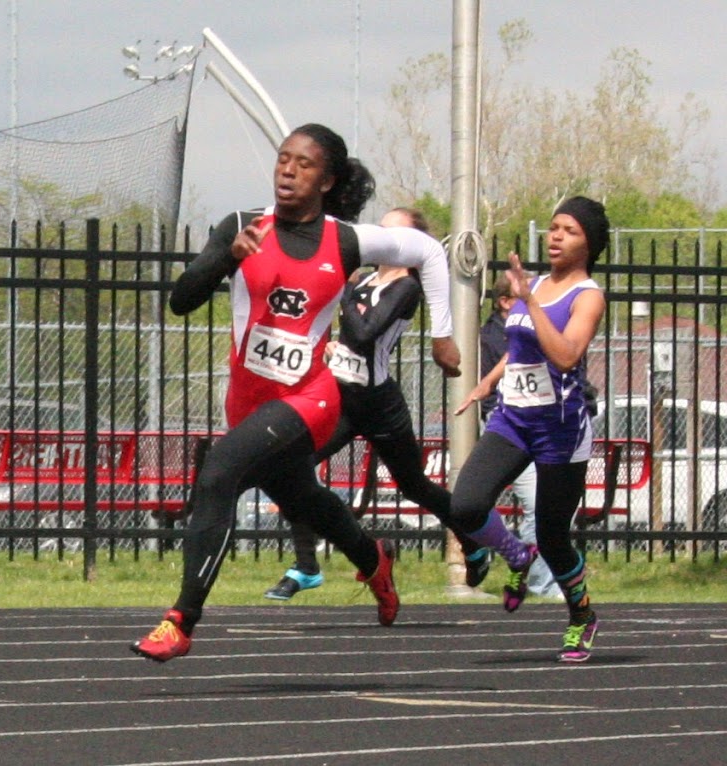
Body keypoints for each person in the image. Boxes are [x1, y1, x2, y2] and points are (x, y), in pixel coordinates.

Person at [131, 123, 458, 662]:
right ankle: (374, 559)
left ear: (327, 180)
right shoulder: (241, 226)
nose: (288, 170)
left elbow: (428, 251)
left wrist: (442, 333)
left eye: (304, 164)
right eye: (284, 159)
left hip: (311, 399)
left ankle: (181, 620)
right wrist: (226, 257)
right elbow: (182, 300)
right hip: (247, 402)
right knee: (302, 498)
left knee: (218, 474)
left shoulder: (347, 240)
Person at [263, 207, 485, 601]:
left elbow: (365, 333)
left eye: (392, 233)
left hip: (378, 403)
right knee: (290, 466)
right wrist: (334, 346)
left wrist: (346, 289)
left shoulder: (406, 287)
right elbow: (346, 330)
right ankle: (305, 566)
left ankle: (471, 541)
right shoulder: (367, 280)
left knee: (413, 485)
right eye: (379, 231)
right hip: (340, 397)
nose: (381, 239)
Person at [452, 196, 609, 663]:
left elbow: (564, 354)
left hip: (559, 429)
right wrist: (487, 382)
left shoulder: (587, 296)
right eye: (554, 227)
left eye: (570, 231)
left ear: (590, 244)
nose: (556, 236)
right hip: (512, 419)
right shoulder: (534, 285)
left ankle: (582, 616)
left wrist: (530, 300)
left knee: (555, 535)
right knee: (465, 504)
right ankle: (517, 556)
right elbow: (517, 346)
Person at [472, 273, 558, 600]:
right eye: (521, 295)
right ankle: (538, 580)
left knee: (548, 503)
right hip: (509, 422)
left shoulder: (535, 325)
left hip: (543, 420)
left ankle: (536, 573)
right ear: (505, 302)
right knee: (531, 500)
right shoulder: (492, 336)